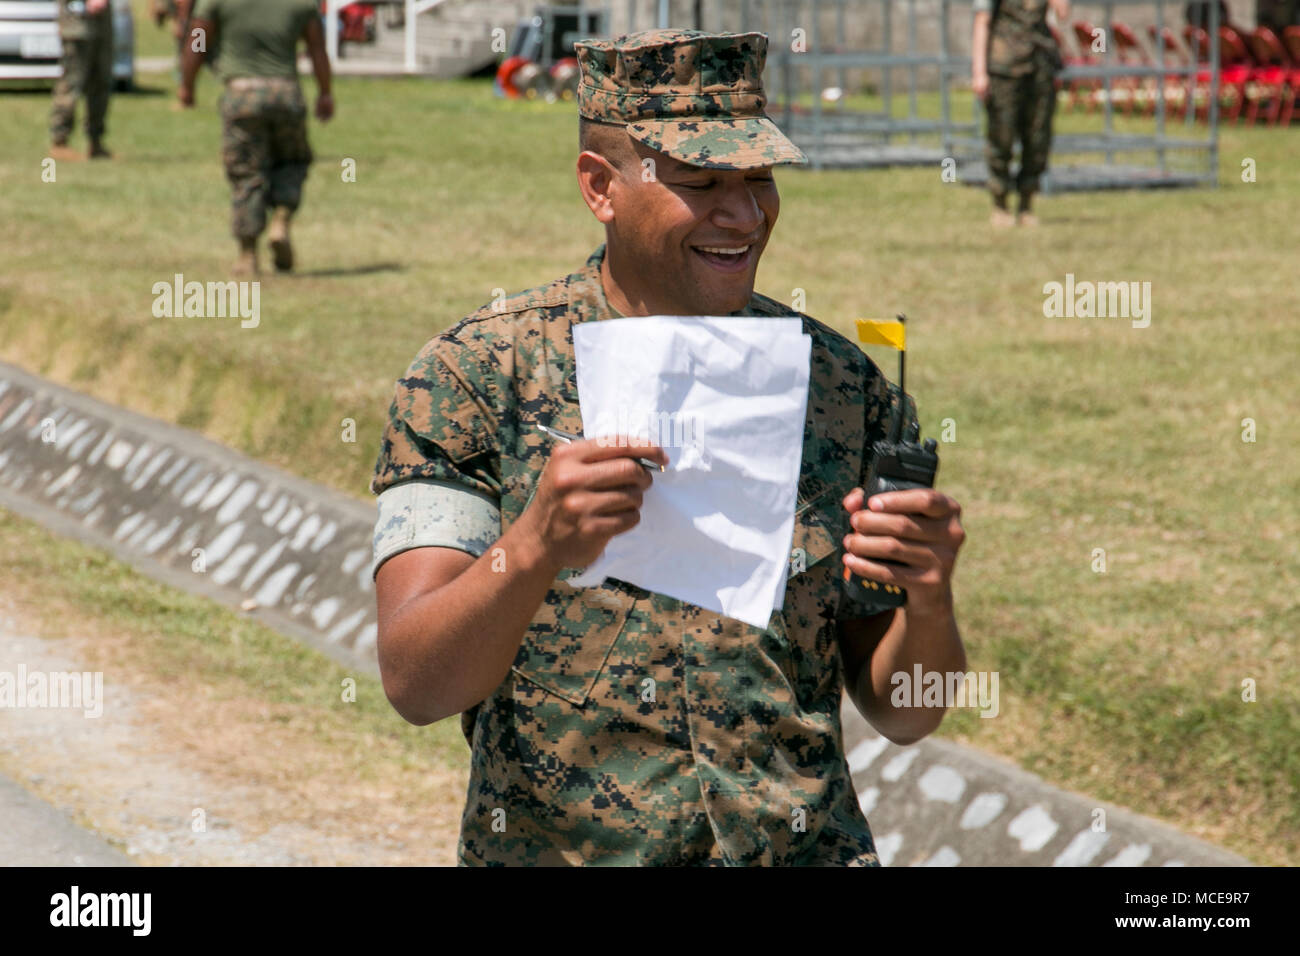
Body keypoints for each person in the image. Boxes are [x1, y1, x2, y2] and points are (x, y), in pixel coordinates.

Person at [370, 29, 968, 866]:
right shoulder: (476, 377)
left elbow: (909, 710)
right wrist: (535, 545)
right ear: (600, 187)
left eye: (759, 179)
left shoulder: (843, 390)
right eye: (701, 182)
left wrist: (929, 596)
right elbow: (416, 681)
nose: (745, 214)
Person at [179, 0, 333, 276]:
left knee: (246, 172)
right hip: (285, 93)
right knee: (292, 161)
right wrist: (325, 92)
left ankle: (248, 254)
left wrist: (187, 84)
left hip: (241, 95)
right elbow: (316, 48)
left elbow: (198, 40)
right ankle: (281, 219)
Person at [972, 0, 1070, 227]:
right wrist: (979, 72)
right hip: (1004, 67)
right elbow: (982, 21)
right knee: (1001, 137)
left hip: (1040, 65)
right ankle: (1000, 203)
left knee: (1038, 138)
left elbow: (1062, 13)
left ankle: (1026, 204)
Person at [49, 0, 114, 162]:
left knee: (101, 83)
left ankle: (96, 141)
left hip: (102, 24)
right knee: (71, 82)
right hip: (77, 24)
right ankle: (59, 141)